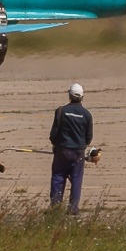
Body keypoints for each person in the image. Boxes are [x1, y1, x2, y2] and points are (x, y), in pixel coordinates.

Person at [48, 82, 93, 214]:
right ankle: (73, 208)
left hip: (62, 150)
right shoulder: (87, 114)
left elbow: (54, 133)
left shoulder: (61, 111)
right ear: (82, 97)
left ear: (69, 95)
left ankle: (56, 207)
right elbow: (89, 137)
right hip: (78, 152)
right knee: (76, 179)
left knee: (58, 176)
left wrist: (55, 145)